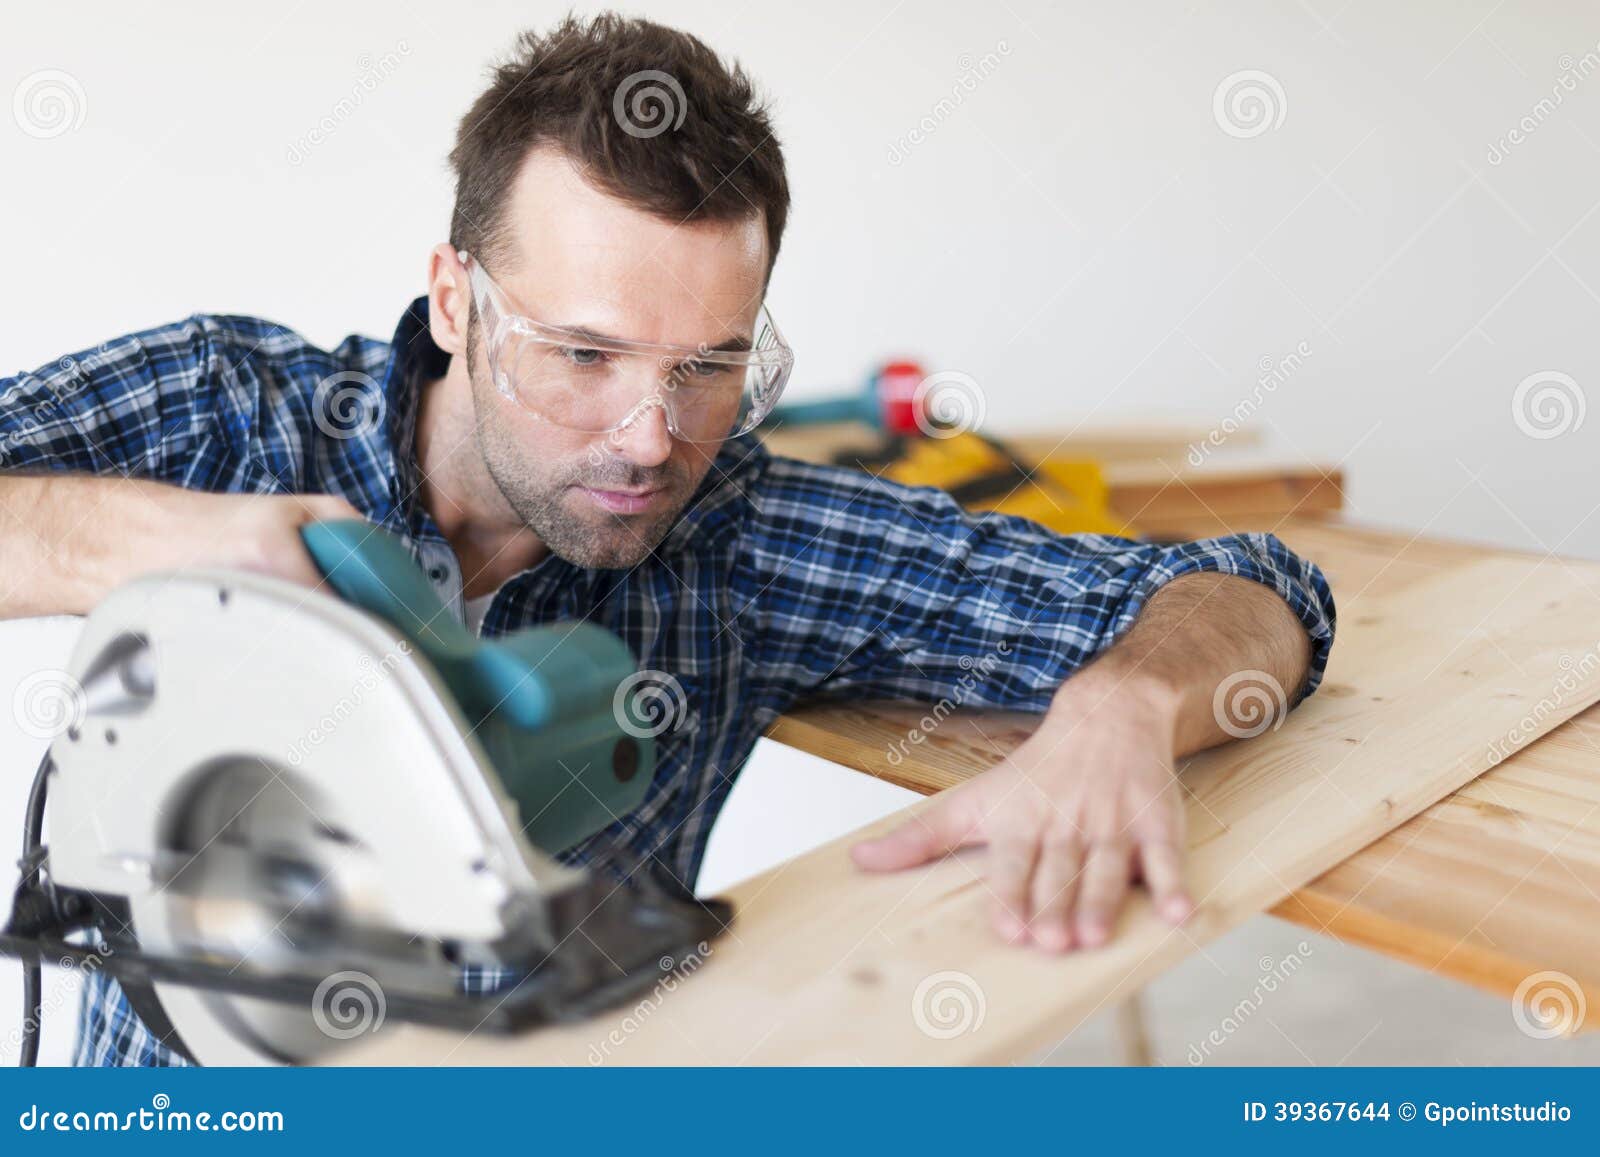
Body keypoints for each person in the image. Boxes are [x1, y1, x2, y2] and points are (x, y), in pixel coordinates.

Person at [0, 14, 1335, 1066]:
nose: (650, 437)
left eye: (707, 366)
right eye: (584, 352)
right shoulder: (225, 413)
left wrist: (1128, 703)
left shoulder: (741, 538)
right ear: (457, 299)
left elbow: (1265, 591)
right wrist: (142, 535)